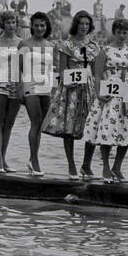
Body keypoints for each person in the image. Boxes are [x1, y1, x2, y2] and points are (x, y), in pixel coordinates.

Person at [79, 17, 128, 181]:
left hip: (124, 94)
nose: (121, 35)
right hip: (108, 93)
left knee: (126, 131)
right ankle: (105, 167)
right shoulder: (104, 51)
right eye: (119, 32)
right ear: (114, 33)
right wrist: (99, 94)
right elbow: (97, 75)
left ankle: (117, 167)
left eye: (125, 32)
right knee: (106, 130)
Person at [42, 12, 100, 180]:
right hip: (70, 89)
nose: (84, 27)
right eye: (81, 23)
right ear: (76, 24)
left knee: (92, 125)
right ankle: (71, 165)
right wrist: (70, 81)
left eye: (87, 24)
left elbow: (96, 72)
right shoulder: (65, 44)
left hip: (88, 87)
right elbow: (61, 70)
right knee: (69, 125)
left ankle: (86, 165)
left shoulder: (94, 46)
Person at [19, 12, 55, 177]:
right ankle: (34, 160)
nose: (39, 28)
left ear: (46, 27)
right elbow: (18, 68)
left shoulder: (50, 45)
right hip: (29, 84)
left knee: (40, 124)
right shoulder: (24, 43)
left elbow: (50, 70)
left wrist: (53, 89)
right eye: (37, 25)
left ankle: (33, 158)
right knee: (36, 121)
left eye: (43, 25)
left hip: (45, 86)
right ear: (31, 26)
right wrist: (20, 90)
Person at [0, 10, 23, 173]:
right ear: (3, 24)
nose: (11, 25)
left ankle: (3, 158)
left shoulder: (21, 43)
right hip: (0, 82)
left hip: (16, 83)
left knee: (9, 123)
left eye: (13, 22)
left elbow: (24, 67)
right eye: (8, 22)